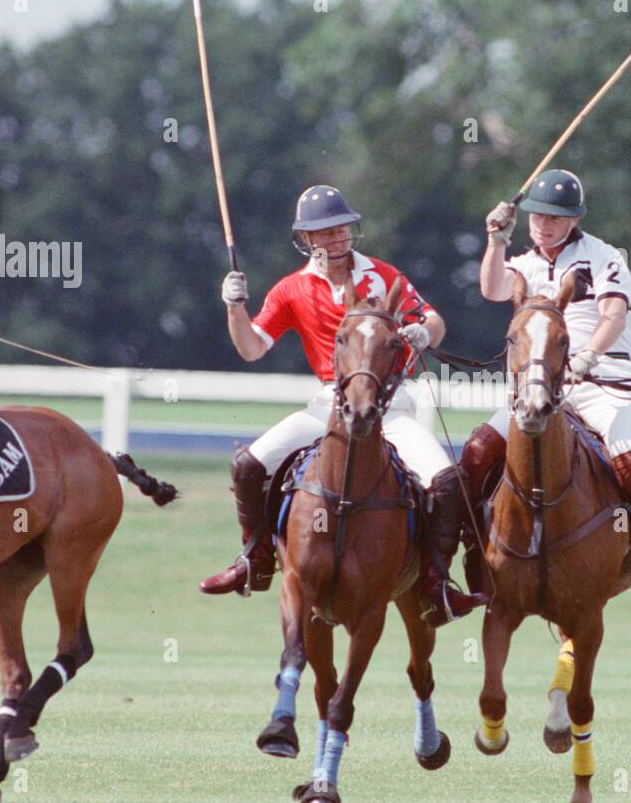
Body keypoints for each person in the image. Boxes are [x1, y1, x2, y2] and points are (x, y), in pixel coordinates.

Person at [198, 184, 487, 626]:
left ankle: (434, 580)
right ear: (307, 239)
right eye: (325, 233)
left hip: (389, 407)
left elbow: (433, 319)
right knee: (248, 466)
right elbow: (252, 348)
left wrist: (423, 334)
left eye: (342, 231)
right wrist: (234, 306)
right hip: (329, 406)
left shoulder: (384, 275)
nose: (336, 240)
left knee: (447, 481)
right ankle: (254, 558)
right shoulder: (291, 289)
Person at [466, 168, 631, 602]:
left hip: (602, 376)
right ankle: (471, 544)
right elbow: (491, 288)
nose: (543, 225)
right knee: (477, 452)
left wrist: (588, 355)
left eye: (555, 218)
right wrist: (496, 240)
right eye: (538, 216)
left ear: (574, 220)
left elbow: (614, 315)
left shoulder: (604, 257)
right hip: (539, 383)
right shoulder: (522, 263)